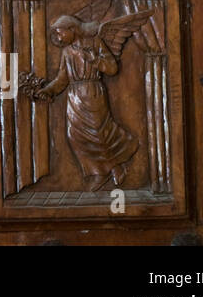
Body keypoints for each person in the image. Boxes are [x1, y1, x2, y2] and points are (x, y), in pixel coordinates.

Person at [33, 14, 139, 190]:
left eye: (61, 33)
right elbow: (61, 79)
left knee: (99, 133)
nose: (59, 38)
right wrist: (47, 90)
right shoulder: (66, 52)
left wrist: (95, 60)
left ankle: (114, 166)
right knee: (74, 136)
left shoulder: (95, 44)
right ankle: (98, 172)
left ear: (72, 29)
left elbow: (112, 68)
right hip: (74, 99)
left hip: (93, 93)